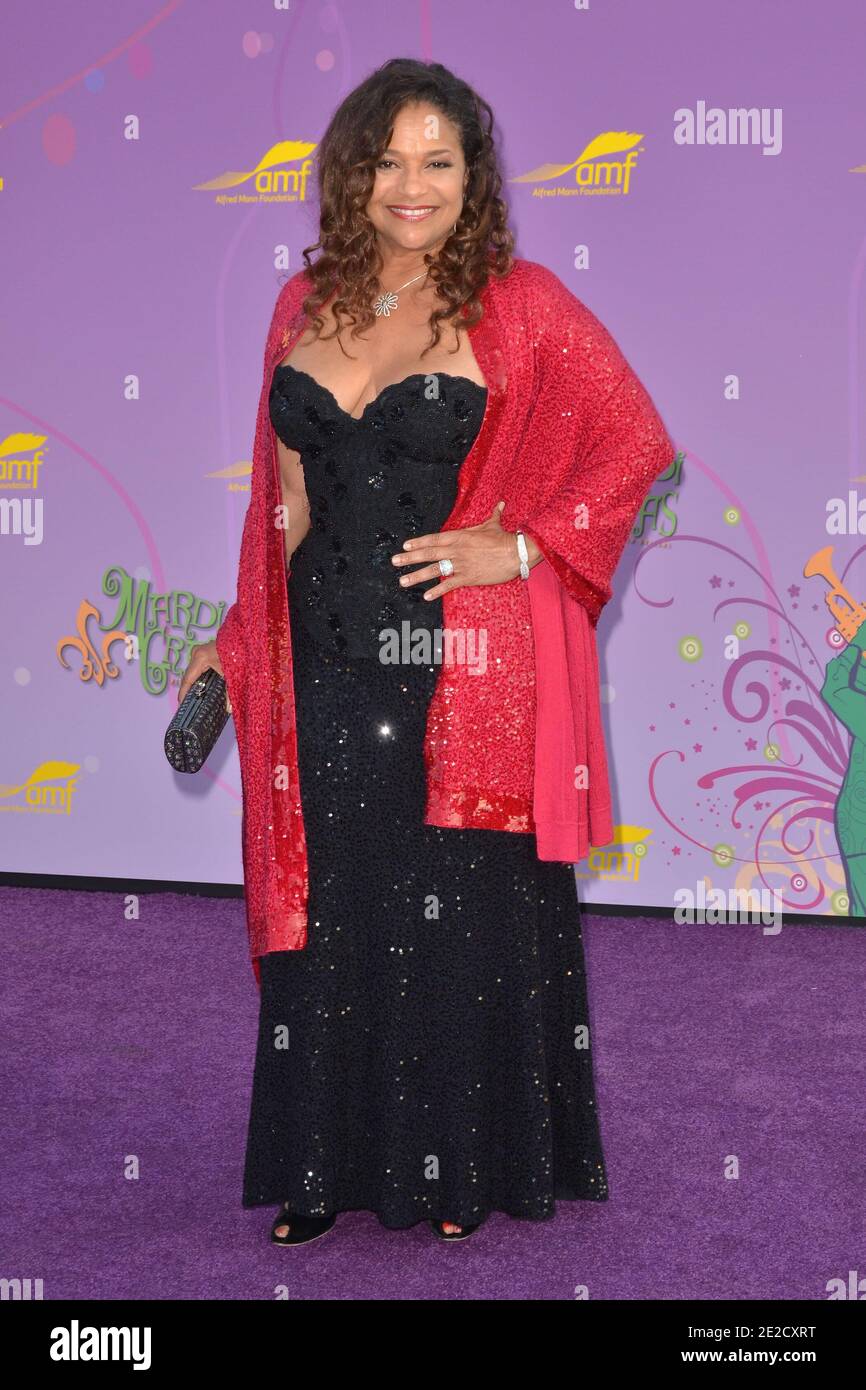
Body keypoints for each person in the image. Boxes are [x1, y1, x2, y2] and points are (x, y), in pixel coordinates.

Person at [179, 58, 674, 1245]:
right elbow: (284, 507)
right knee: (332, 902)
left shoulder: (524, 303)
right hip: (320, 665)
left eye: (438, 162)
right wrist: (237, 630)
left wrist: (524, 546)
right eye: (388, 160)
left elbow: (635, 446)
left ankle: (457, 1168)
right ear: (352, 174)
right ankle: (319, 1162)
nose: (412, 186)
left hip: (455, 668)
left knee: (449, 915)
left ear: (472, 179)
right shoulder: (298, 309)